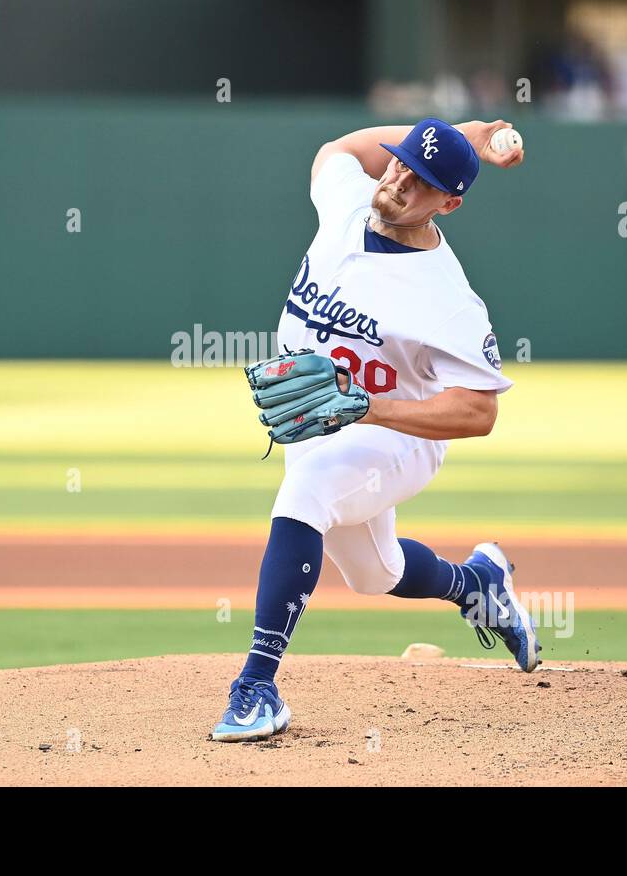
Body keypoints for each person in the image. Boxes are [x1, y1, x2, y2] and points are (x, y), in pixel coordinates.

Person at [211, 119, 540, 743]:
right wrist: (472, 130)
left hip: (400, 437)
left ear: (450, 203)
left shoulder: (447, 299)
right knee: (374, 573)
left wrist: (367, 408)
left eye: (422, 182)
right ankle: (479, 584)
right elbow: (337, 149)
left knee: (305, 496)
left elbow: (478, 412)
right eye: (399, 164)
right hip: (319, 424)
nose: (399, 181)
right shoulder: (347, 200)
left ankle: (257, 686)